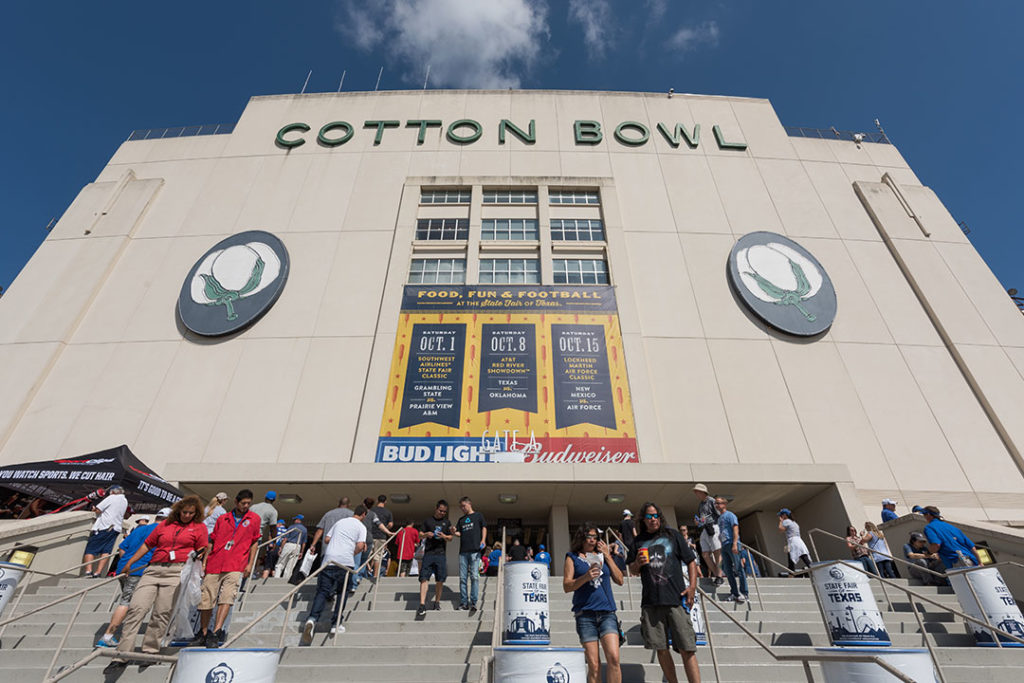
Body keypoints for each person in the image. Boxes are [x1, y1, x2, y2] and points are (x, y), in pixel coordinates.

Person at [107, 495, 208, 670]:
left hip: (176, 571)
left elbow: (203, 547)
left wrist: (199, 556)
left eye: (191, 513)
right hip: (154, 569)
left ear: (196, 513)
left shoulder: (199, 527)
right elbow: (147, 545)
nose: (187, 515)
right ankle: (122, 654)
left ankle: (150, 651)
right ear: (178, 511)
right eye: (184, 512)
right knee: (136, 608)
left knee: (161, 613)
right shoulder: (165, 525)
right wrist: (130, 563)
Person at [627, 502, 701, 683]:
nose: (653, 519)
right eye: (649, 516)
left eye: (656, 516)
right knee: (661, 649)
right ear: (643, 520)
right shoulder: (637, 541)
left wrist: (692, 587)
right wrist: (637, 563)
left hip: (676, 598)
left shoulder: (673, 535)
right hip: (651, 602)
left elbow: (691, 561)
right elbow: (632, 570)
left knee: (687, 648)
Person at [195, 489, 262, 648]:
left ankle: (216, 631)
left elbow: (254, 542)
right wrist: (205, 561)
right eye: (243, 503)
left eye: (248, 503)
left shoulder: (254, 519)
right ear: (236, 502)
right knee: (207, 599)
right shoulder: (223, 518)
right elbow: (212, 541)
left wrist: (250, 563)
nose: (246, 506)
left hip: (236, 564)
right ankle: (203, 632)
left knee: (226, 598)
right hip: (215, 562)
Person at [95, 509, 167, 648]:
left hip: (124, 568)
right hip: (139, 570)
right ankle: (107, 636)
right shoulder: (162, 531)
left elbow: (122, 548)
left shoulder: (140, 529)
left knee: (129, 601)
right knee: (128, 603)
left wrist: (128, 564)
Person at [564, 522, 624, 683]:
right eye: (589, 536)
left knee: (614, 659)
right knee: (594, 665)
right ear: (581, 537)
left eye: (595, 537)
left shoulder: (603, 556)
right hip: (585, 615)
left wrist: (608, 556)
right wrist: (585, 577)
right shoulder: (572, 557)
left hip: (607, 613)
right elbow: (567, 586)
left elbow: (620, 580)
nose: (592, 539)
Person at [301, 505, 367, 643]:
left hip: (329, 560)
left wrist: (339, 541)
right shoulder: (361, 527)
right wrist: (352, 551)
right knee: (342, 593)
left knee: (322, 592)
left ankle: (312, 619)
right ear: (364, 515)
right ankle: (335, 624)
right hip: (345, 562)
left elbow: (326, 539)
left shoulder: (339, 522)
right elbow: (360, 546)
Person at [82, 484, 129, 577]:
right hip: (116, 528)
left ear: (112, 492)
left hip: (105, 527)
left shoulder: (111, 498)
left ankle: (88, 571)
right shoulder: (124, 500)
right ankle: (98, 572)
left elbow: (98, 510)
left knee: (91, 549)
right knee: (106, 551)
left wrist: (94, 508)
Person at [417, 499, 453, 616]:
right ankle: (422, 604)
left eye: (444, 512)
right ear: (436, 509)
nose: (442, 513)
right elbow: (420, 535)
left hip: (440, 554)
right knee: (424, 578)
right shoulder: (428, 521)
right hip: (428, 553)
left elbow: (450, 538)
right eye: (440, 510)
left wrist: (444, 536)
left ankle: (437, 602)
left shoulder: (447, 522)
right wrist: (426, 534)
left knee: (440, 579)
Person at [454, 496, 486, 612]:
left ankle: (473, 602)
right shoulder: (461, 520)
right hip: (463, 552)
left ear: (469, 504)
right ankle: (464, 603)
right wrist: (454, 532)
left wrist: (483, 540)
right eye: (461, 507)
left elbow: (484, 528)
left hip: (475, 551)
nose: (462, 508)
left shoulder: (478, 516)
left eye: (464, 506)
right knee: (463, 578)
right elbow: (459, 533)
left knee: (474, 577)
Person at [714, 496, 747, 603]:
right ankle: (734, 592)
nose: (717, 505)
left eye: (719, 503)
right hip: (724, 545)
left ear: (724, 504)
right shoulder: (719, 518)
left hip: (732, 543)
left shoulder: (730, 515)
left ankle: (744, 592)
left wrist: (735, 543)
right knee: (728, 570)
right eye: (715, 503)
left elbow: (735, 529)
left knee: (738, 568)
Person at [692, 483, 723, 585]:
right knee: (705, 554)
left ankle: (719, 575)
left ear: (702, 492)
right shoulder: (700, 504)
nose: (696, 493)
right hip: (705, 529)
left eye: (697, 491)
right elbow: (702, 519)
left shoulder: (712, 501)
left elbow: (719, 514)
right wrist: (699, 522)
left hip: (713, 526)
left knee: (717, 552)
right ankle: (717, 574)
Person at [777, 509, 811, 574]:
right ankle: (792, 573)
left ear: (784, 515)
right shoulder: (794, 522)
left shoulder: (786, 521)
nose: (780, 517)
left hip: (793, 540)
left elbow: (781, 529)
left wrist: (781, 521)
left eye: (781, 515)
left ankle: (791, 573)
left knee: (793, 556)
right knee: (802, 555)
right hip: (799, 540)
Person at [370, 495, 394, 577]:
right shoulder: (388, 512)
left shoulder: (372, 511)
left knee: (367, 555)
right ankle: (375, 576)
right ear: (385, 501)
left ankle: (363, 573)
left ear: (377, 500)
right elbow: (390, 524)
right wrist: (386, 528)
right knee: (378, 556)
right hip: (381, 536)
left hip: (370, 535)